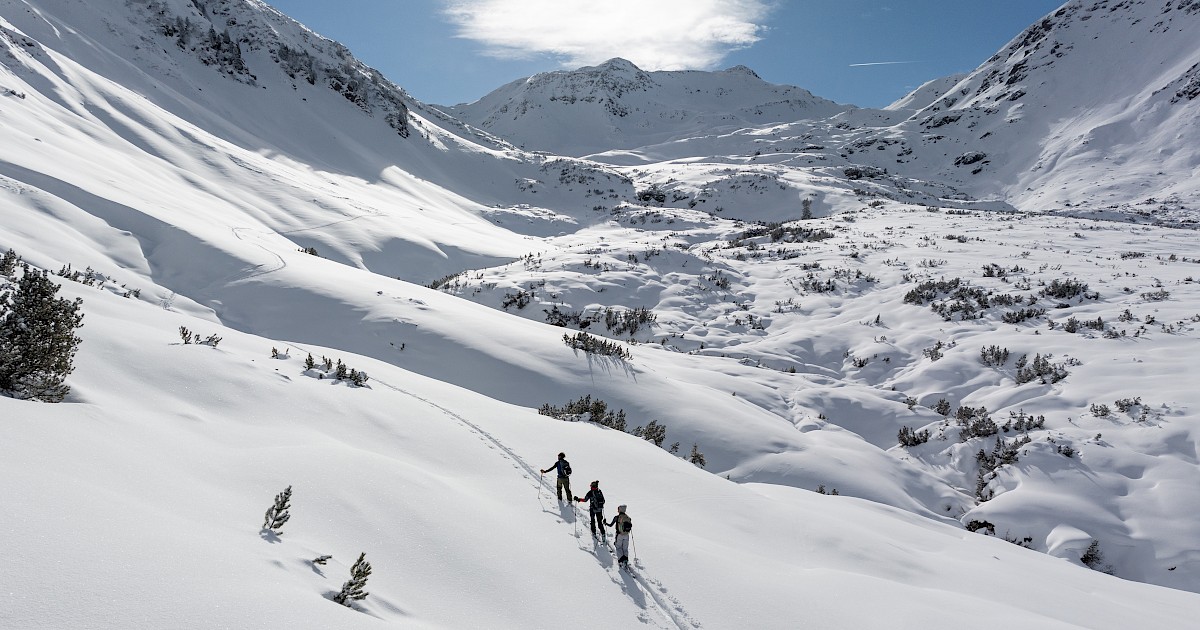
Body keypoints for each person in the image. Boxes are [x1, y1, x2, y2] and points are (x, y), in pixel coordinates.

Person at [607, 505, 633, 569]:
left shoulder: (617, 517)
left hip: (619, 535)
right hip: (626, 535)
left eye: (618, 509)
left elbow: (610, 525)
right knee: (625, 548)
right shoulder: (628, 517)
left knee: (618, 547)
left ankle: (621, 561)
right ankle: (626, 560)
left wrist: (605, 523)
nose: (617, 510)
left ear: (620, 510)